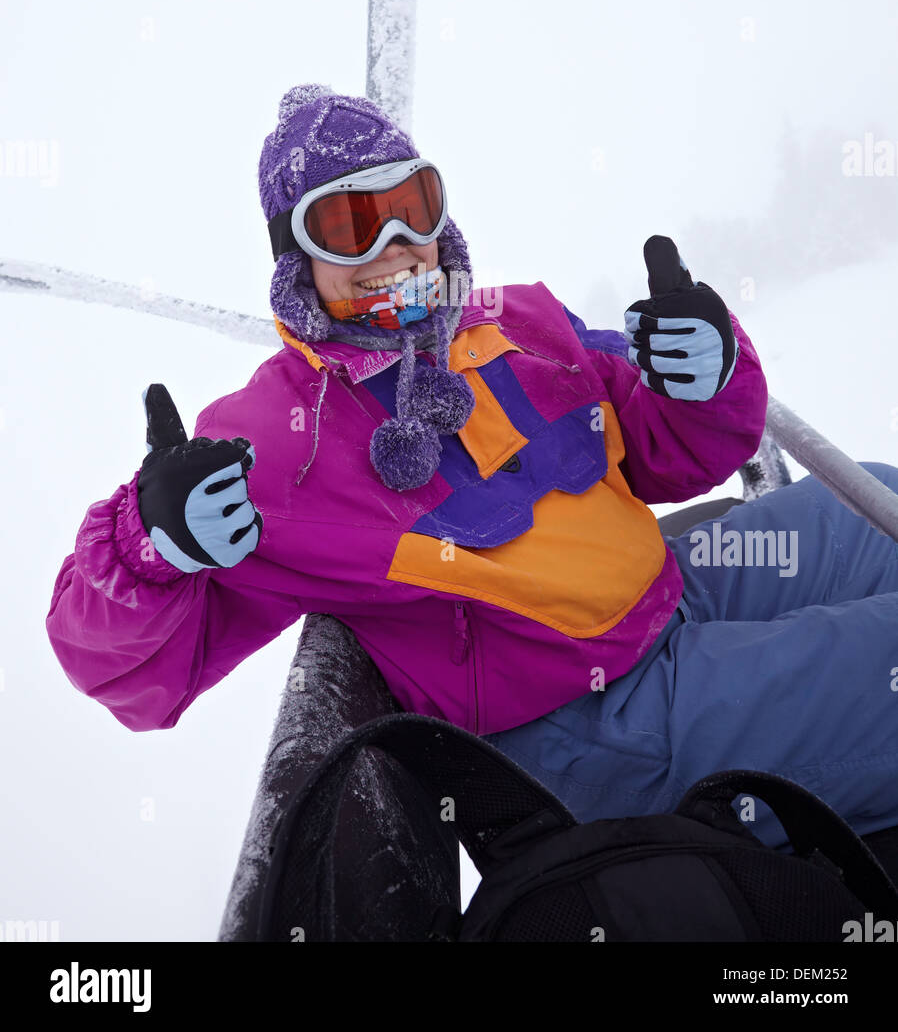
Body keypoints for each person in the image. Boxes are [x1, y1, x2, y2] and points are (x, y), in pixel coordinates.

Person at [46, 84, 898, 853]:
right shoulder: (275, 440)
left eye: (411, 205)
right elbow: (128, 672)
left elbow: (670, 452)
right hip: (592, 727)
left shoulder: (518, 322)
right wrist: (150, 545)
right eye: (347, 224)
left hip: (668, 596)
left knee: (877, 499)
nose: (394, 245)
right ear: (295, 256)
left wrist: (704, 376)